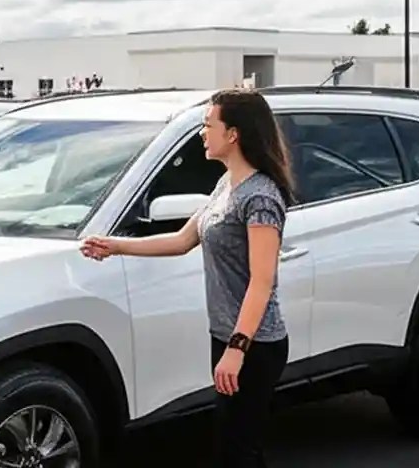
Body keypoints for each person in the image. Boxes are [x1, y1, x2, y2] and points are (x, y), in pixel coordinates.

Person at [79, 88, 295, 467]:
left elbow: (262, 283)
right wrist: (115, 246)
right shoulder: (227, 185)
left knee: (239, 449)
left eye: (208, 125)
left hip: (255, 345)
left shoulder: (260, 197)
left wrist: (236, 350)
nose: (202, 133)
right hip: (227, 337)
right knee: (234, 446)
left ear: (234, 134)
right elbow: (182, 241)